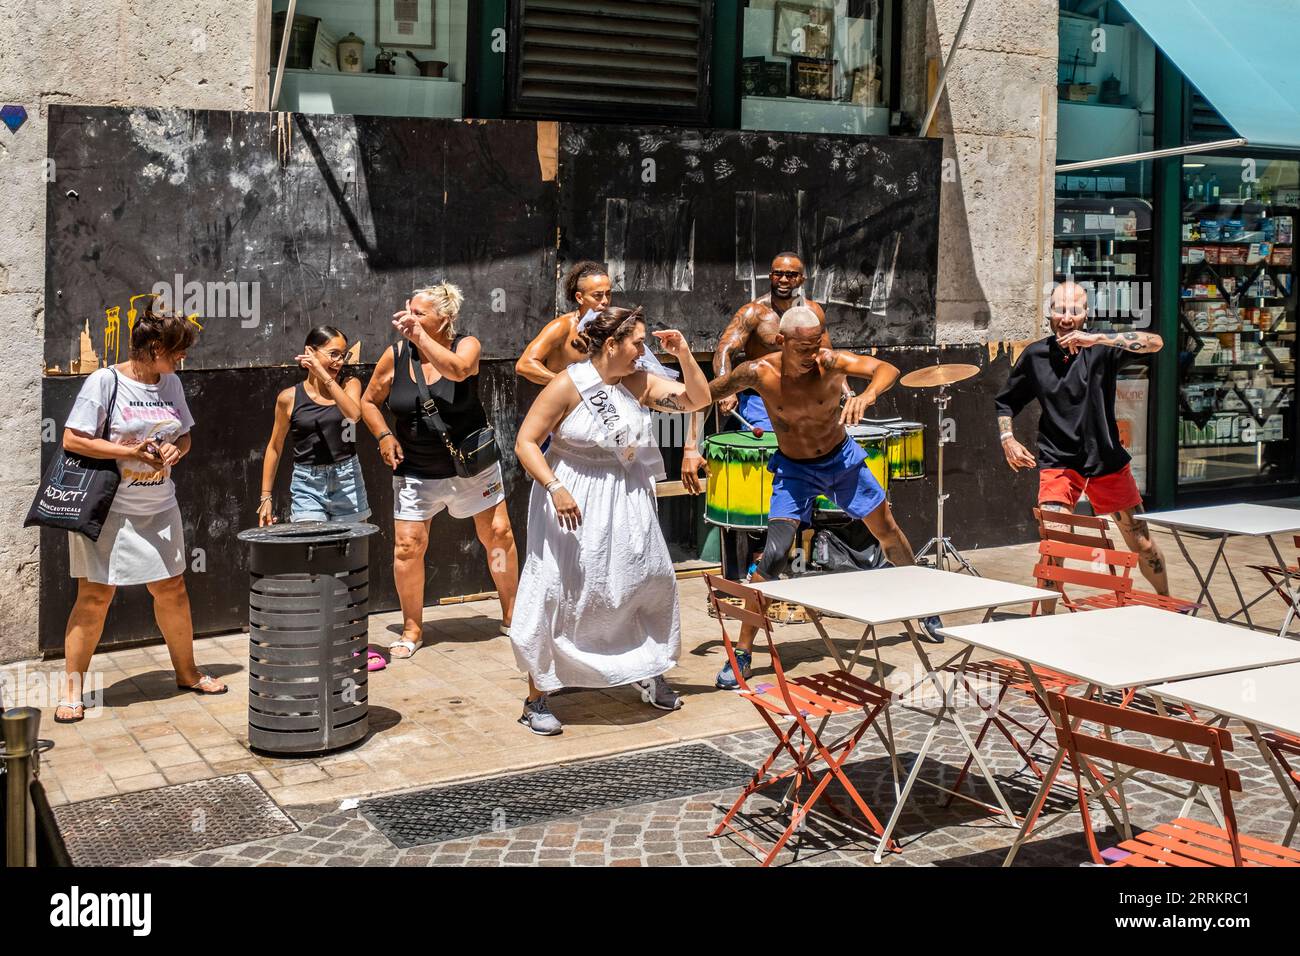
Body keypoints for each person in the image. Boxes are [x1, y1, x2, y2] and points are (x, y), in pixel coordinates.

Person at [706, 306, 939, 690]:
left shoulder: (830, 363)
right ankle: (744, 652)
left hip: (841, 462)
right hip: (794, 471)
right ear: (782, 342)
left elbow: (887, 370)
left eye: (817, 345)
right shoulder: (758, 372)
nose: (813, 355)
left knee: (887, 532)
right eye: (804, 349)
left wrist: (867, 394)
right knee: (776, 556)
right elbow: (702, 395)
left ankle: (925, 606)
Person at [511, 306, 711, 735]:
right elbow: (526, 442)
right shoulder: (569, 384)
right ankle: (537, 696)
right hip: (573, 497)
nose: (643, 352)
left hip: (628, 495)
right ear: (611, 344)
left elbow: (698, 399)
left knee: (647, 581)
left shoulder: (638, 383)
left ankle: (649, 669)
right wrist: (553, 486)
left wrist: (685, 356)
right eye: (637, 343)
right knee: (559, 593)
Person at [55, 305, 226, 723]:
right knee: (95, 596)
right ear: (152, 347)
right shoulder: (104, 381)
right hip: (107, 508)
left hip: (158, 505)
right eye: (176, 351)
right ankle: (72, 691)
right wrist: (129, 451)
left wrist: (175, 449)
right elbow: (73, 440)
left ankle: (186, 673)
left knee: (172, 589)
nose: (182, 358)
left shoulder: (171, 384)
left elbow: (183, 436)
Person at [360, 283, 519, 659]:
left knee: (498, 535)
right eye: (409, 310)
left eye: (420, 313)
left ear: (444, 319)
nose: (410, 318)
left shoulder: (467, 345)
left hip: (471, 468)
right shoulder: (396, 354)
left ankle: (512, 614)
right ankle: (413, 627)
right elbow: (368, 400)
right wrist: (383, 435)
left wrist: (419, 337)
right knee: (407, 547)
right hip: (416, 468)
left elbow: (460, 370)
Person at [996, 281, 1168, 592]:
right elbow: (1005, 401)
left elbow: (1155, 342)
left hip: (1106, 459)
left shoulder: (1102, 349)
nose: (1066, 317)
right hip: (1059, 461)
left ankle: (1169, 606)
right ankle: (1044, 620)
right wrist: (1008, 439)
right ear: (1049, 314)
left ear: (1085, 315)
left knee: (1141, 543)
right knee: (1054, 547)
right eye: (1059, 309)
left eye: (1074, 311)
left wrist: (1099, 338)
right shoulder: (1036, 355)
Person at [681, 252, 854, 492]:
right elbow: (724, 351)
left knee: (821, 448)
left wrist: (845, 391)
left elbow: (828, 355)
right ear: (771, 276)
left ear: (802, 279)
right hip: (762, 399)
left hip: (807, 398)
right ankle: (769, 516)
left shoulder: (813, 312)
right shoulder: (754, 313)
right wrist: (726, 387)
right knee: (774, 452)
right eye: (778, 274)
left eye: (791, 275)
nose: (784, 280)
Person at [257, 326, 369, 526]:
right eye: (333, 354)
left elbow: (354, 415)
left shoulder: (349, 384)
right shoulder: (289, 398)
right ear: (310, 352)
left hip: (347, 479)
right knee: (312, 548)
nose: (339, 361)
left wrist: (324, 376)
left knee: (352, 550)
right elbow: (275, 446)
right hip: (307, 483)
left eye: (343, 355)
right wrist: (266, 496)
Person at [515, 260, 613, 386]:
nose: (605, 301)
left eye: (608, 294)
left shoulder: (612, 326)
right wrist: (569, 386)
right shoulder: (563, 326)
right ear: (579, 297)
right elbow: (525, 365)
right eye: (597, 296)